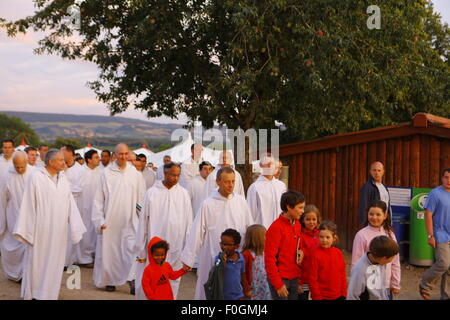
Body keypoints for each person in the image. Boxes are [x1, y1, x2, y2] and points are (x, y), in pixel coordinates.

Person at [13, 149, 86, 300]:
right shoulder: (36, 178)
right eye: (60, 160)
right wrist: (28, 231)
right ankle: (34, 294)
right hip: (40, 231)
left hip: (59, 231)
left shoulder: (63, 178)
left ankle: (49, 294)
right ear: (51, 162)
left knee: (55, 263)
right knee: (38, 262)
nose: (64, 163)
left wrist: (75, 227)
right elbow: (28, 204)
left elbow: (70, 203)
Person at [181, 166, 254, 300]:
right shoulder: (208, 204)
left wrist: (251, 252)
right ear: (218, 182)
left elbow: (249, 228)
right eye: (227, 181)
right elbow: (197, 232)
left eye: (233, 181)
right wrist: (188, 258)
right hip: (211, 253)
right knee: (211, 290)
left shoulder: (241, 202)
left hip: (235, 259)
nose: (231, 185)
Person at [134, 162, 193, 300]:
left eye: (178, 175)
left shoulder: (184, 194)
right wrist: (141, 250)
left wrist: (187, 250)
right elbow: (143, 222)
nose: (176, 178)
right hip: (155, 248)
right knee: (151, 280)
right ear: (165, 174)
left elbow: (189, 223)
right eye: (173, 175)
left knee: (173, 280)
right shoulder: (152, 193)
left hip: (176, 246)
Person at [92, 143, 146, 293]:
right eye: (120, 154)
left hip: (130, 221)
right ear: (114, 155)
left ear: (128, 154)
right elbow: (98, 199)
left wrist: (141, 218)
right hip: (111, 222)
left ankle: (132, 280)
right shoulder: (106, 173)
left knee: (131, 250)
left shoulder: (135, 173)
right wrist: (99, 220)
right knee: (112, 254)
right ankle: (110, 281)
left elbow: (141, 197)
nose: (123, 157)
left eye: (125, 154)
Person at [351, 200, 401, 299]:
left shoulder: (390, 234)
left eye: (378, 214)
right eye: (371, 214)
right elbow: (355, 263)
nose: (374, 217)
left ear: (385, 216)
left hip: (386, 285)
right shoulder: (361, 235)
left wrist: (395, 283)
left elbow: (395, 261)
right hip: (369, 286)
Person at [0, 152, 35, 282]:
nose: (19, 170)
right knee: (12, 243)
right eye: (17, 167)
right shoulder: (6, 175)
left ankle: (26, 274)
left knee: (27, 244)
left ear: (27, 162)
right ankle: (15, 273)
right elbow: (2, 200)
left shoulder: (34, 173)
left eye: (22, 167)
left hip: (30, 216)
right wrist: (1, 225)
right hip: (13, 215)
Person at [264, 190, 304, 300]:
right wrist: (278, 284)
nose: (302, 211)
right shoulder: (275, 228)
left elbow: (298, 247)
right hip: (281, 279)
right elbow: (269, 259)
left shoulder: (298, 225)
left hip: (294, 277)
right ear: (289, 207)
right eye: (300, 208)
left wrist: (301, 252)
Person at [420, 168, 450, 300]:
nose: (449, 180)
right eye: (446, 177)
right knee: (444, 263)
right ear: (442, 178)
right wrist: (430, 235)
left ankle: (446, 295)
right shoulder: (435, 193)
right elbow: (428, 214)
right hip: (440, 234)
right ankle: (425, 284)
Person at [72, 149, 102, 267]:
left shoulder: (101, 172)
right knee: (86, 233)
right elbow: (75, 188)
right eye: (95, 157)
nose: (98, 159)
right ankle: (84, 258)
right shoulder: (81, 172)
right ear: (89, 160)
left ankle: (94, 255)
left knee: (95, 232)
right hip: (84, 208)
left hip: (97, 208)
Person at [347, 235, 399, 300]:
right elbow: (352, 296)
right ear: (383, 258)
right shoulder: (359, 270)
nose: (392, 260)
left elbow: (381, 289)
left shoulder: (380, 263)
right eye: (392, 258)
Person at [309, 221, 347, 300]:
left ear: (334, 238)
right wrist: (317, 297)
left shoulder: (338, 253)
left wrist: (344, 293)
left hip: (338, 296)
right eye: (321, 237)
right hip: (322, 296)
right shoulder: (315, 254)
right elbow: (313, 279)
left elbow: (342, 274)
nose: (324, 240)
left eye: (327, 237)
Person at [247, 154, 286, 229]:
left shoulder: (281, 186)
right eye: (266, 164)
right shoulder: (254, 187)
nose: (269, 166)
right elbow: (250, 213)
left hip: (280, 229)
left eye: (271, 164)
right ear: (261, 165)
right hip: (262, 230)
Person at [61, 144, 85, 267]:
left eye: (63, 152)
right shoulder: (59, 167)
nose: (60, 154)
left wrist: (64, 188)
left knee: (71, 233)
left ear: (70, 153)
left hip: (74, 204)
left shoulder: (80, 170)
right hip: (59, 205)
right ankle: (60, 260)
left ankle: (69, 261)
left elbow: (78, 188)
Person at [214, 229, 250, 300]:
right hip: (222, 297)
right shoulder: (218, 258)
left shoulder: (241, 258)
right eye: (223, 244)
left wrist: (247, 290)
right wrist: (222, 263)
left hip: (238, 296)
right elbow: (216, 273)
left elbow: (243, 276)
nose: (224, 247)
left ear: (237, 246)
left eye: (229, 245)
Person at [241, 224, 271, 300]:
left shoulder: (266, 252)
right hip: (253, 289)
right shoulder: (246, 254)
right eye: (265, 236)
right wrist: (246, 289)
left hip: (266, 287)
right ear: (257, 239)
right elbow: (242, 274)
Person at [298, 204, 321, 300]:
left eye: (314, 219)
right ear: (303, 220)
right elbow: (297, 262)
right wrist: (298, 282)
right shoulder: (300, 237)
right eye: (308, 219)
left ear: (318, 220)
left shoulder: (321, 235)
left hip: (318, 279)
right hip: (304, 280)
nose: (311, 222)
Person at [358, 161, 392, 226]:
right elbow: (363, 207)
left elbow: (387, 206)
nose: (377, 173)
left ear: (383, 172)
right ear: (370, 171)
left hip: (384, 221)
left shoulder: (384, 186)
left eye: (379, 170)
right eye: (374, 170)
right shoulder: (367, 187)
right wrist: (365, 224)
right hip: (373, 222)